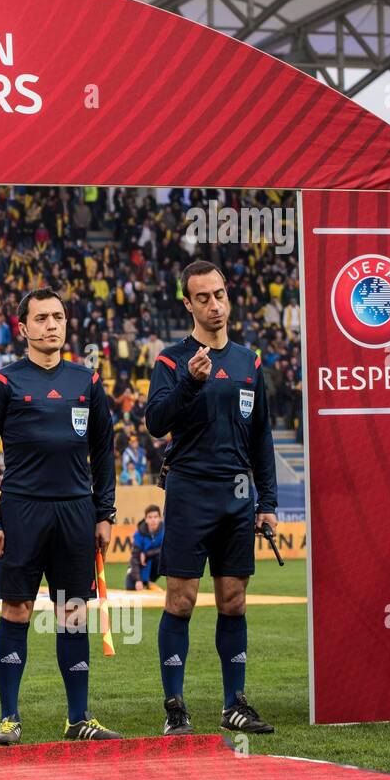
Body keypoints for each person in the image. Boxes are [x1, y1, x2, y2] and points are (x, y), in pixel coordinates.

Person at [0, 287, 120, 746]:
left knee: (72, 614)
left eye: (57, 316)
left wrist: (105, 511)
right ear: (23, 329)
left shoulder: (87, 381)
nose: (51, 325)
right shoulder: (3, 383)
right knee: (16, 610)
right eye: (40, 318)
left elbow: (104, 448)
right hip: (21, 510)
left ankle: (79, 717)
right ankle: (9, 717)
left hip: (76, 511)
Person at [145, 260, 278, 737]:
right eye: (202, 297)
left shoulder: (249, 361)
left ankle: (234, 704)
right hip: (188, 490)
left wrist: (268, 503)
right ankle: (175, 707)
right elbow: (156, 422)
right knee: (180, 600)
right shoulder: (171, 360)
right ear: (187, 303)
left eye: (219, 294)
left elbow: (261, 436)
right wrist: (189, 382)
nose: (214, 304)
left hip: (238, 495)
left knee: (234, 600)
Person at [127, 505, 164, 590]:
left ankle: (149, 581)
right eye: (150, 517)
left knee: (163, 556)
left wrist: (146, 554)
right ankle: (143, 581)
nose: (153, 520)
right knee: (130, 587)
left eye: (155, 517)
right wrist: (138, 580)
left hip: (154, 563)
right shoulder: (139, 534)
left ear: (160, 518)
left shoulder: (165, 532)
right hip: (140, 565)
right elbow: (135, 558)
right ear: (146, 519)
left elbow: (167, 550)